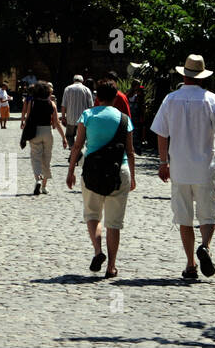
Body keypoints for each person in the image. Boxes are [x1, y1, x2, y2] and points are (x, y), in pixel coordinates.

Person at [151, 54, 215, 281]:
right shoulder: (212, 100)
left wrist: (163, 162)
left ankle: (190, 265)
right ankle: (205, 247)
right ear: (202, 77)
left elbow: (161, 133)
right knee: (208, 216)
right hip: (204, 168)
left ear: (184, 75)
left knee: (184, 218)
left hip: (179, 168)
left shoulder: (170, 99)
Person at [66, 82, 136, 278]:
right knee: (114, 223)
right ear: (115, 98)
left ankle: (98, 250)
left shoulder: (88, 116)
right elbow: (130, 152)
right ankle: (111, 267)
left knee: (92, 215)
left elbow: (77, 146)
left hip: (92, 171)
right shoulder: (124, 119)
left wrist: (70, 171)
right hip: (119, 171)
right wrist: (133, 176)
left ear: (97, 97)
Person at [21, 82, 67, 195]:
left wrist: (24, 132)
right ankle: (44, 187)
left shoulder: (32, 102)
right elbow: (55, 123)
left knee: (35, 158)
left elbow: (28, 119)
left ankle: (38, 179)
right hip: (47, 132)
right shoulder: (52, 104)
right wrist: (63, 137)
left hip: (35, 131)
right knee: (46, 159)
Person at [61, 75, 94, 148]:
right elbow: (91, 106)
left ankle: (73, 149)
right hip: (83, 119)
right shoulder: (86, 89)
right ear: (82, 81)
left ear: (74, 80)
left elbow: (64, 104)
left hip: (71, 118)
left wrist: (63, 117)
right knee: (81, 136)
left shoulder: (68, 89)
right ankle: (79, 150)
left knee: (69, 136)